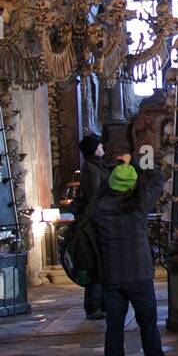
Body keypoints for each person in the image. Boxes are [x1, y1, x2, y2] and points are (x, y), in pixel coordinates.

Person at [91, 153, 173, 356]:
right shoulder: (139, 203)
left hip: (112, 276)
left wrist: (116, 172)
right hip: (139, 274)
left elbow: (98, 192)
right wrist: (134, 164)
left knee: (114, 328)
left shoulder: (101, 207)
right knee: (148, 325)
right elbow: (158, 177)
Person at [78, 133, 108, 320]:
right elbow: (96, 196)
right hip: (97, 222)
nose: (103, 147)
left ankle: (102, 304)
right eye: (100, 145)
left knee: (102, 265)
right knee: (95, 264)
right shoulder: (92, 169)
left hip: (99, 221)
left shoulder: (96, 167)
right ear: (95, 149)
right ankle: (94, 306)